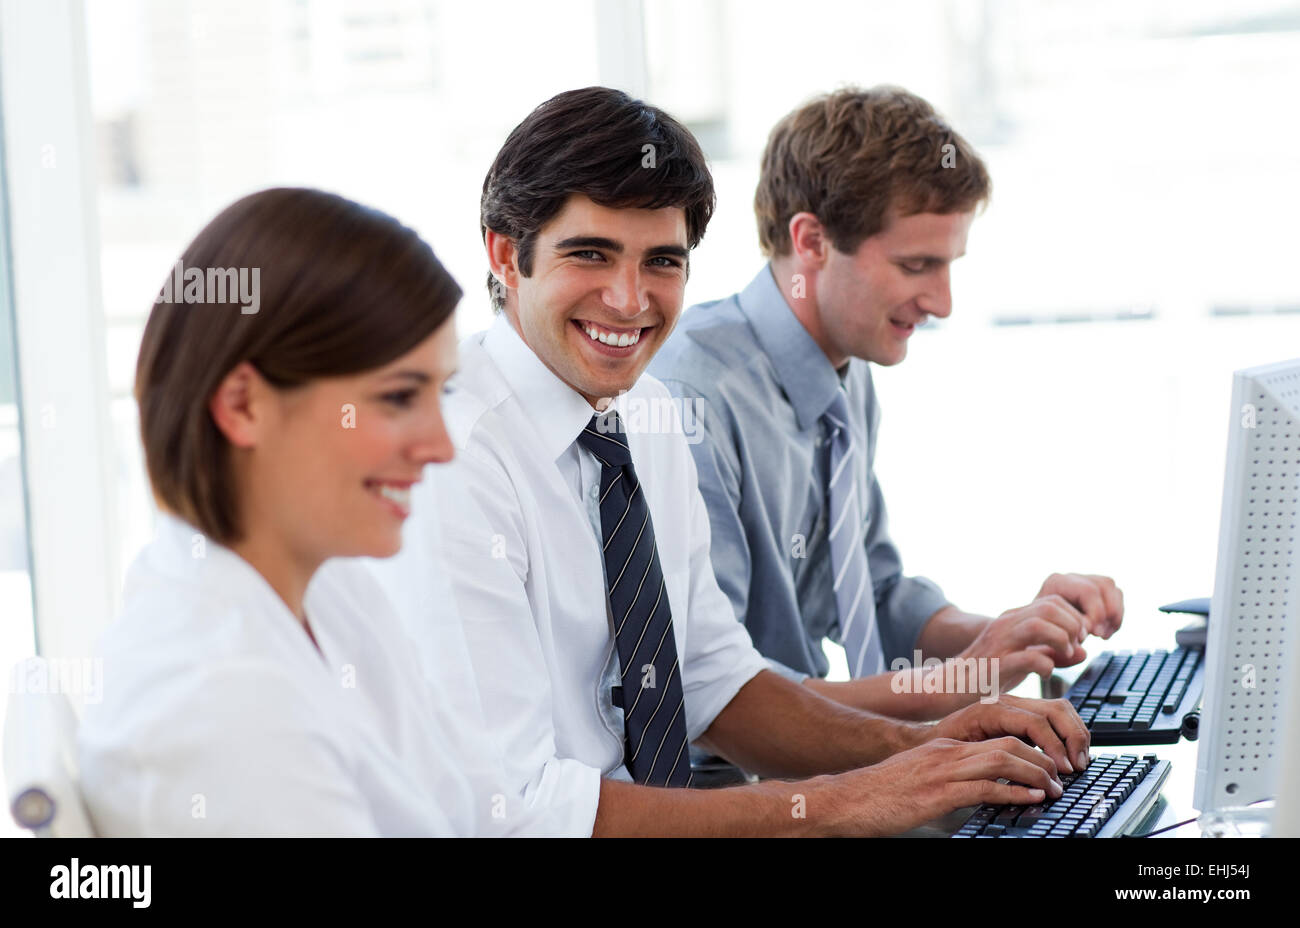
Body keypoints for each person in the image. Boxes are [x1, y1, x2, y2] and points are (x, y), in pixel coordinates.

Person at [396, 86, 1091, 838]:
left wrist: (923, 752)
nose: (630, 300)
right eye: (590, 254)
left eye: (661, 261)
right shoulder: (449, 460)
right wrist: (862, 796)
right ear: (506, 252)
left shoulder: (650, 413)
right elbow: (523, 811)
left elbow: (714, 680)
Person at [650, 86, 1126, 721]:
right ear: (811, 242)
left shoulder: (844, 364)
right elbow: (722, 696)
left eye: (948, 265)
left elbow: (872, 596)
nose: (942, 302)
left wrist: (1017, 635)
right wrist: (969, 677)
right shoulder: (694, 398)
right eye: (916, 265)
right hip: (735, 784)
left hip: (812, 763)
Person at [77, 187, 514, 836]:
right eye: (397, 397)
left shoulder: (330, 589)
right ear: (244, 406)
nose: (441, 447)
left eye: (439, 392)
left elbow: (472, 804)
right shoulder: (220, 704)